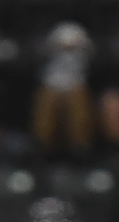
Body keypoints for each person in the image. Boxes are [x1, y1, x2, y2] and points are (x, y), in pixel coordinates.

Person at [32, 22, 96, 156]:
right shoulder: (48, 51)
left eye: (71, 48)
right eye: (64, 47)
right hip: (51, 85)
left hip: (76, 85)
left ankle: (80, 149)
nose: (68, 50)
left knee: (78, 101)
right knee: (47, 101)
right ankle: (42, 148)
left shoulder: (85, 50)